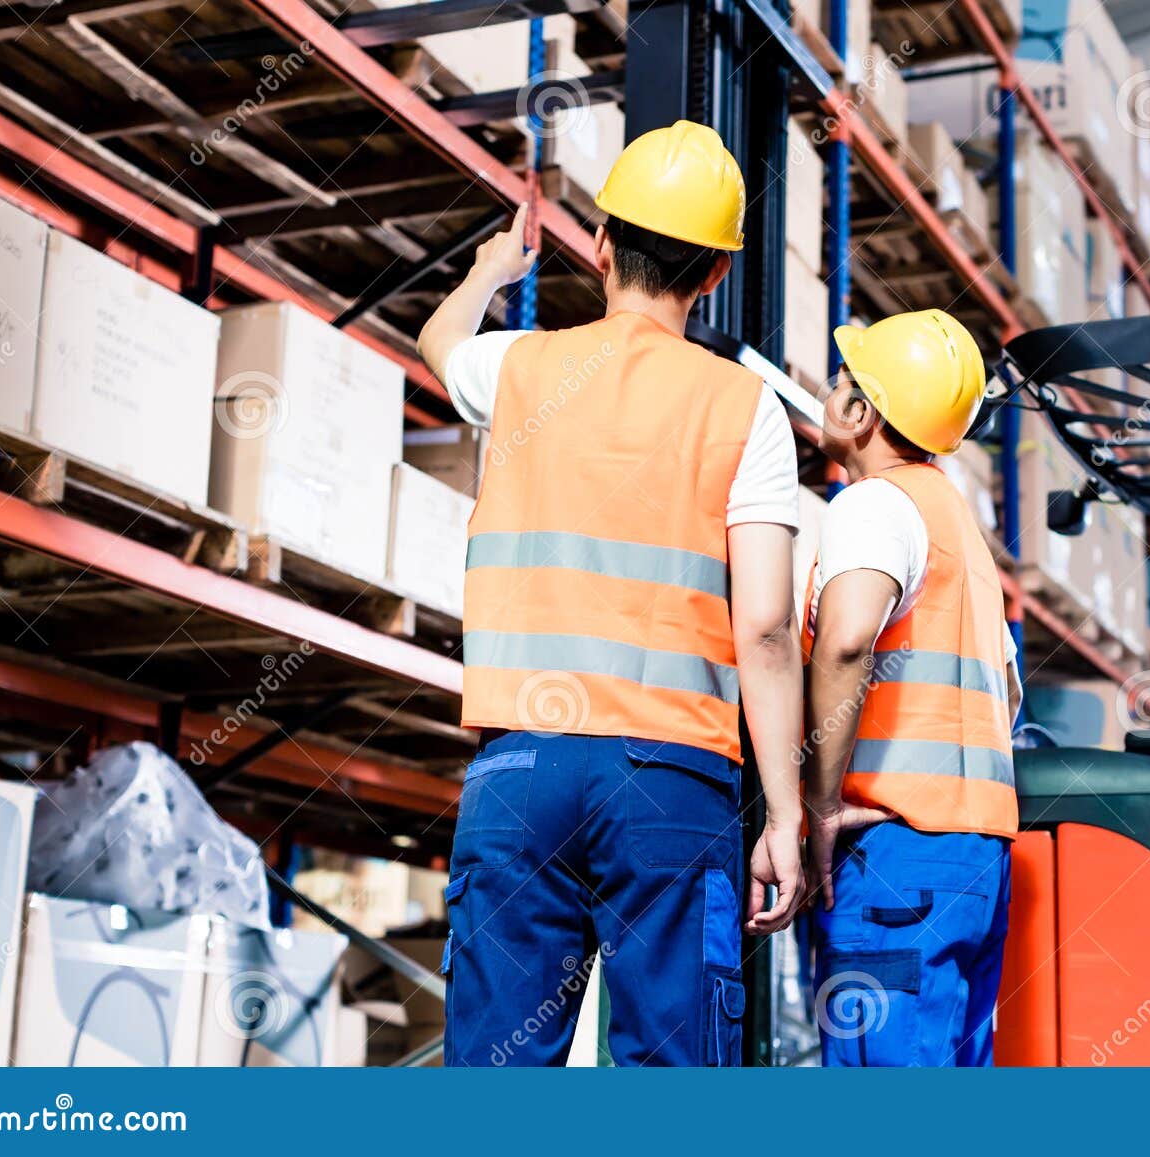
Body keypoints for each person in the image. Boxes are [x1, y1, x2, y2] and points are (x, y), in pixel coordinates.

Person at [416, 120, 805, 1067]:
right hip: (670, 783)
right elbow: (763, 624)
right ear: (715, 275)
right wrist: (789, 814)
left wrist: (490, 274)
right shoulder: (744, 408)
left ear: (599, 245)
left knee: (496, 1070)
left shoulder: (521, 368)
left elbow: (438, 343)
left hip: (520, 768)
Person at [800, 309, 1020, 1067]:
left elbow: (849, 639)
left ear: (862, 412)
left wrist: (819, 804)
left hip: (895, 855)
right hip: (974, 861)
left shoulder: (874, 503)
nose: (828, 395)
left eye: (839, 384)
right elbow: (1009, 694)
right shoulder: (957, 526)